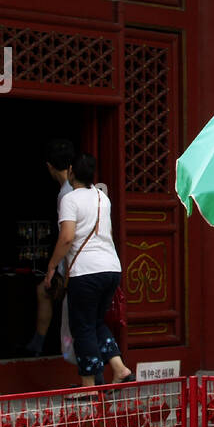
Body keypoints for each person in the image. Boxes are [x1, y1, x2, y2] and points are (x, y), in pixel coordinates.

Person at [45, 153, 133, 386]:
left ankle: (89, 385)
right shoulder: (102, 198)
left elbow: (66, 238)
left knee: (82, 327)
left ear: (71, 170)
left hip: (85, 272)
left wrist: (52, 266)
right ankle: (120, 368)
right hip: (111, 268)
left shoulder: (70, 200)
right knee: (96, 322)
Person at [27, 138, 76, 356]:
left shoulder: (66, 194)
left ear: (49, 166)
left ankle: (39, 344)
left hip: (74, 265)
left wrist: (54, 268)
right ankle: (38, 344)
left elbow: (66, 237)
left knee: (81, 321)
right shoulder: (81, 189)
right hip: (87, 264)